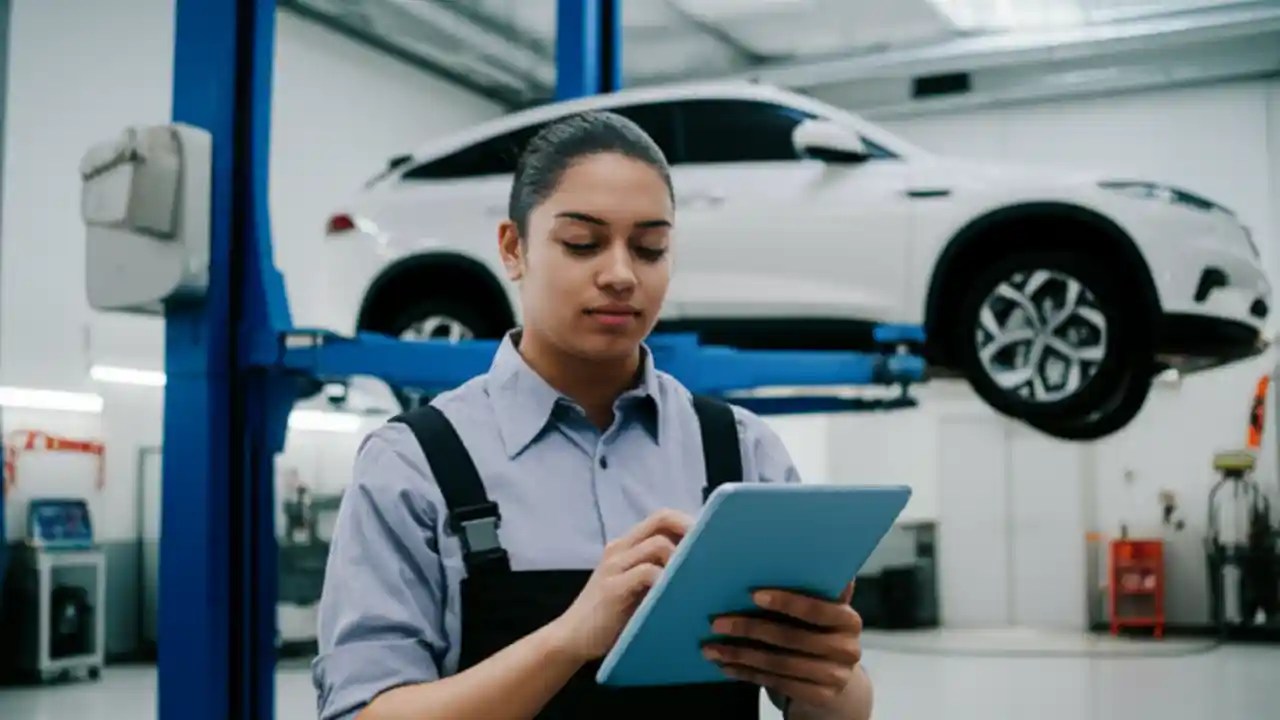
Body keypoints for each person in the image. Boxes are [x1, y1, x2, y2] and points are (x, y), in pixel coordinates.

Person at [311, 111, 874, 720]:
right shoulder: (414, 464)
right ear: (513, 248)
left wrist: (832, 678)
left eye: (650, 248)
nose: (621, 275)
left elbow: (830, 708)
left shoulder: (741, 452)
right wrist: (567, 640)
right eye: (582, 243)